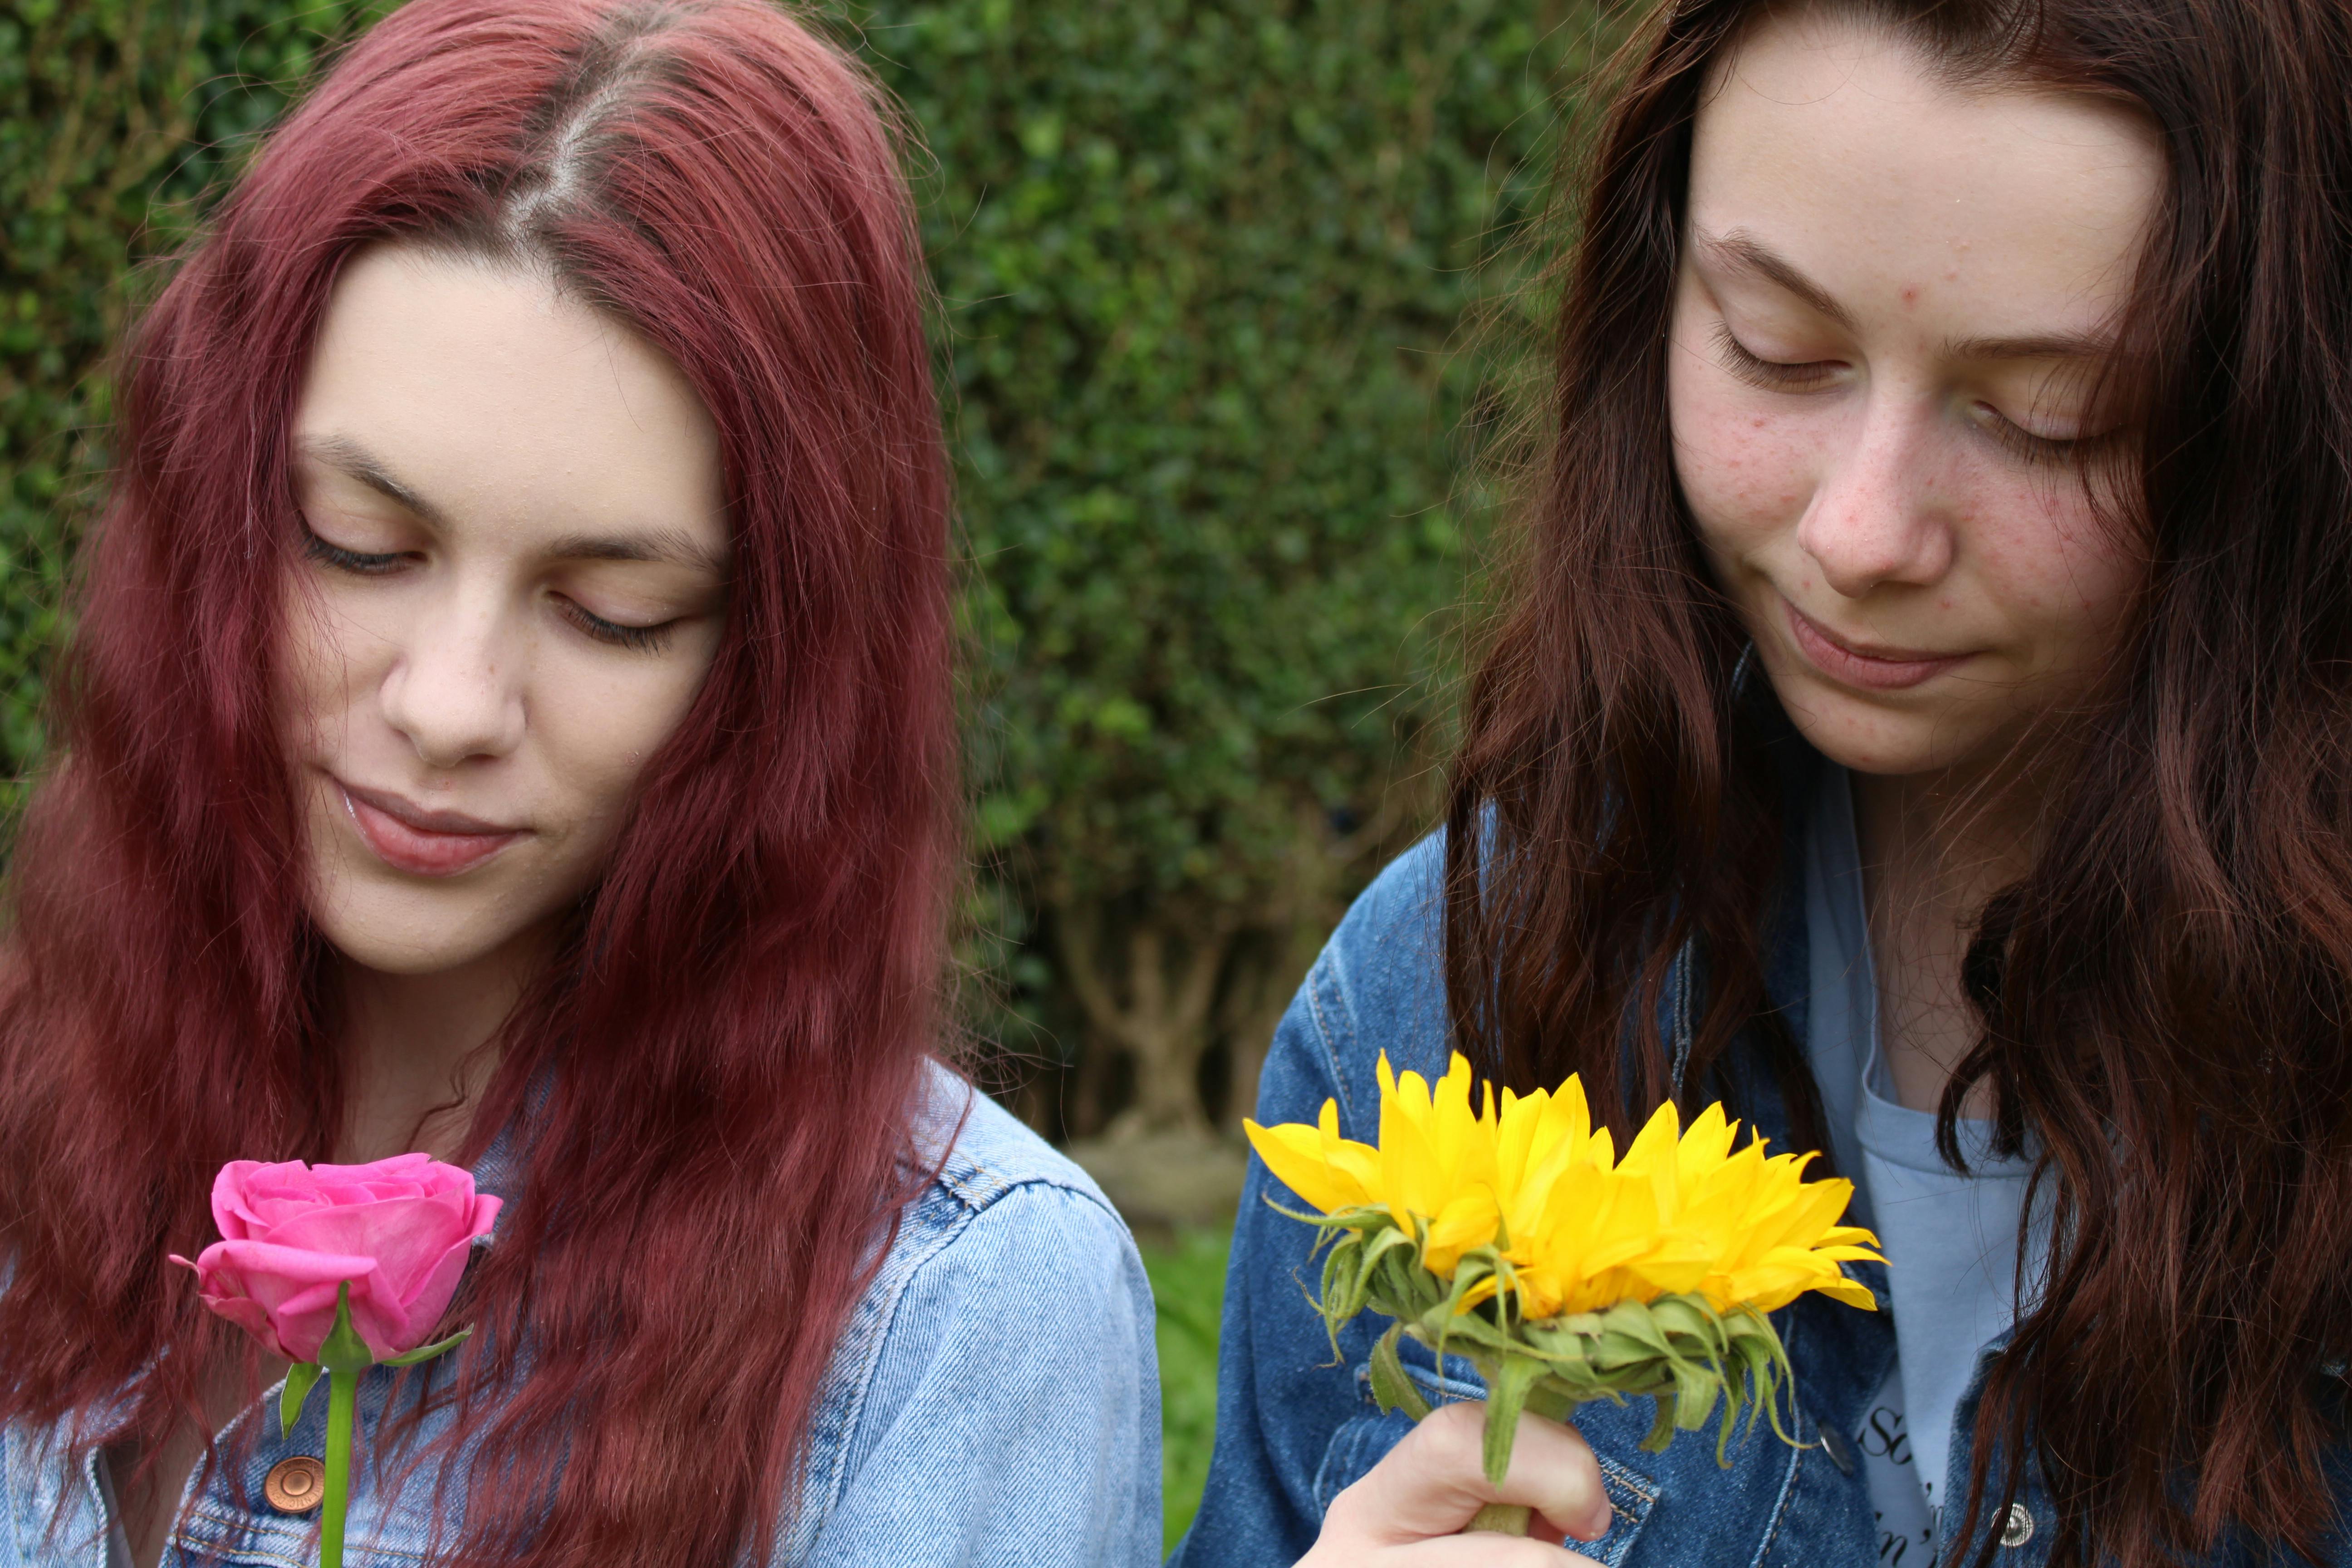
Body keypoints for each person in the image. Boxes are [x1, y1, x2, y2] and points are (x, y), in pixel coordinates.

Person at [1176, 0, 2352, 1565]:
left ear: (2272, 425)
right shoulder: (1431, 1001)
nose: (1861, 534)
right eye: (1777, 350)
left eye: (2048, 419)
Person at [0, 3, 1158, 1566]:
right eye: (359, 543)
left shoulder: (955, 1313)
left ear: (773, 665)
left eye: (612, 611)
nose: (452, 704)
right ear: (213, 519)